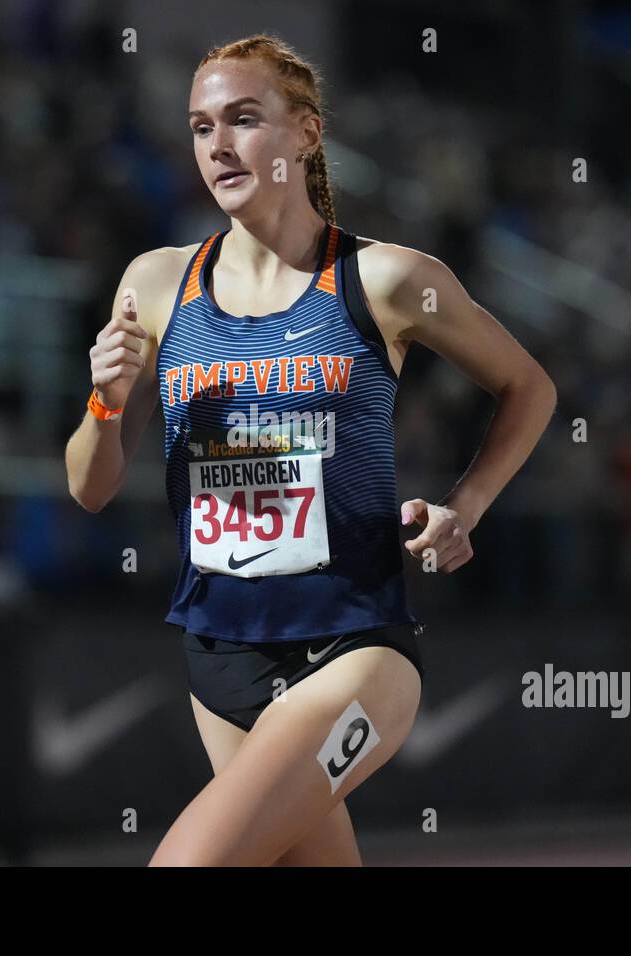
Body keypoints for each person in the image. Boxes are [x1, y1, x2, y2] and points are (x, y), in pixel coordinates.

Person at [65, 33, 556, 866]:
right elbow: (90, 488)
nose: (217, 145)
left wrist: (464, 506)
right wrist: (103, 403)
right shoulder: (155, 284)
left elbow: (529, 388)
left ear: (306, 134)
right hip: (218, 660)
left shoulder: (387, 280)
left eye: (244, 119)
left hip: (352, 651)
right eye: (199, 126)